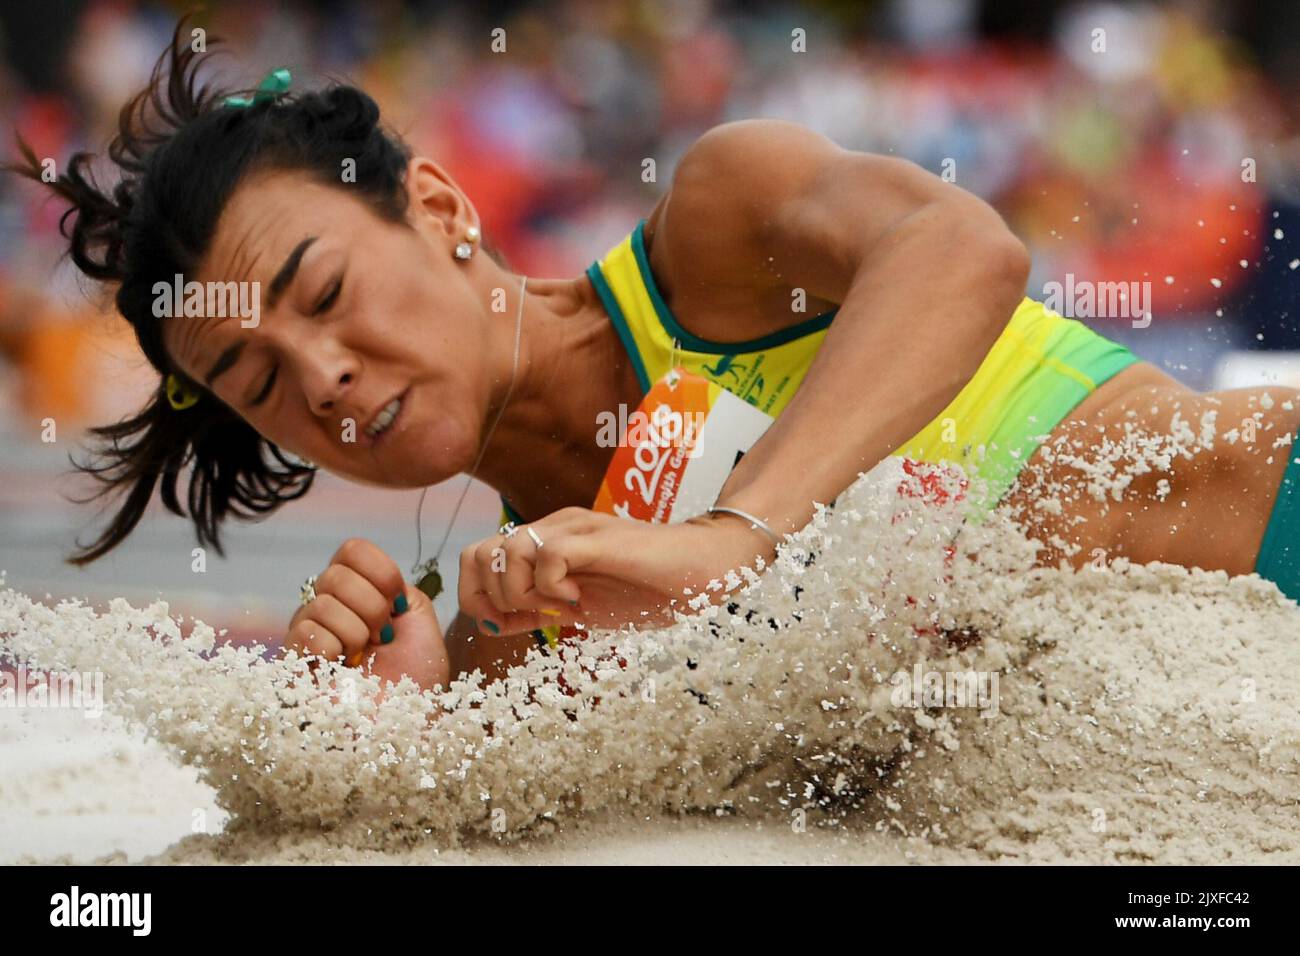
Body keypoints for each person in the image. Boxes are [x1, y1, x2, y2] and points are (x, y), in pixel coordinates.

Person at [11, 22, 1299, 695]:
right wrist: (417, 706)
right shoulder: (523, 619)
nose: (321, 374)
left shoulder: (719, 233)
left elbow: (960, 249)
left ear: (446, 211)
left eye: (327, 292)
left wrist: (735, 537)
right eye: (255, 378)